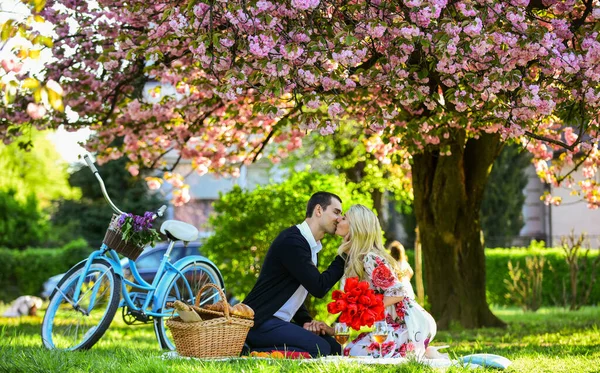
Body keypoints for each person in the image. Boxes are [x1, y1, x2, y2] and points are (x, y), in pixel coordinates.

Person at [243, 191, 348, 357]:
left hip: (278, 323)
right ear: (319, 210)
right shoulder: (292, 241)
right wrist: (345, 256)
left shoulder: (310, 245)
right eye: (336, 212)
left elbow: (292, 293)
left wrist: (307, 322)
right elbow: (319, 287)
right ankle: (251, 351)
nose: (339, 218)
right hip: (261, 322)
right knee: (320, 349)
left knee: (334, 348)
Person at [335, 205, 440, 359]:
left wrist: (368, 309)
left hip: (409, 324)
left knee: (353, 353)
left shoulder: (370, 258)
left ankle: (422, 352)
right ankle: (422, 352)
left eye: (344, 218)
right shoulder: (358, 258)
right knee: (351, 350)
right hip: (390, 325)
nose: (338, 219)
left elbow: (399, 292)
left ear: (355, 227)